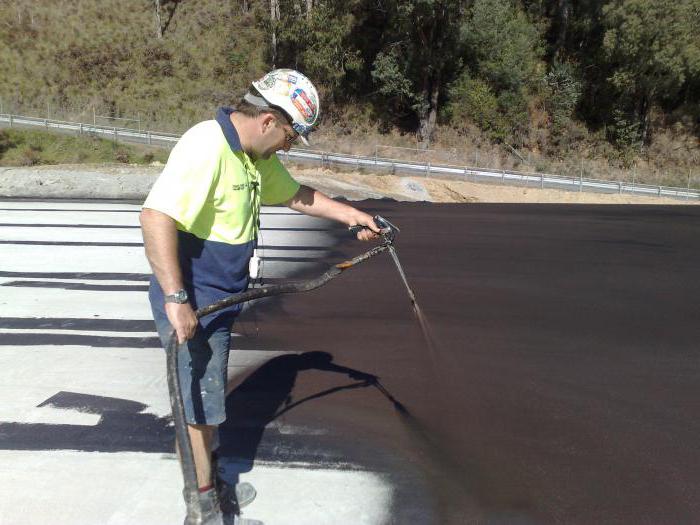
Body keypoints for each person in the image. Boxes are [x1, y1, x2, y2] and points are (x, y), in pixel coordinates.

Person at [140, 69, 379, 525]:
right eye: (290, 136)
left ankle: (212, 485)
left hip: (219, 298)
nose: (288, 146)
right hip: (195, 298)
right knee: (196, 407)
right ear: (268, 120)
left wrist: (352, 215)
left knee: (208, 403)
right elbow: (155, 216)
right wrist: (176, 297)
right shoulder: (207, 146)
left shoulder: (252, 157)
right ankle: (203, 507)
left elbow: (296, 195)